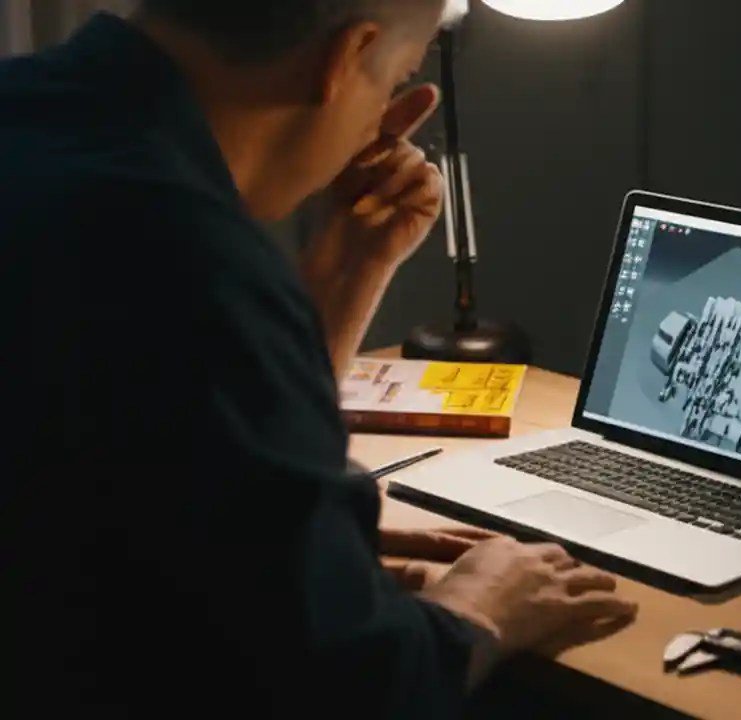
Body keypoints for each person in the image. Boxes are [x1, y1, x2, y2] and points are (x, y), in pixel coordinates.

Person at [0, 1, 637, 718]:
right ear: (344, 58)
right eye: (397, 76)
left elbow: (164, 476)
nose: (381, 125)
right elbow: (349, 685)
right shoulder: (188, 258)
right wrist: (479, 605)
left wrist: (345, 274)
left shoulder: (32, 116)